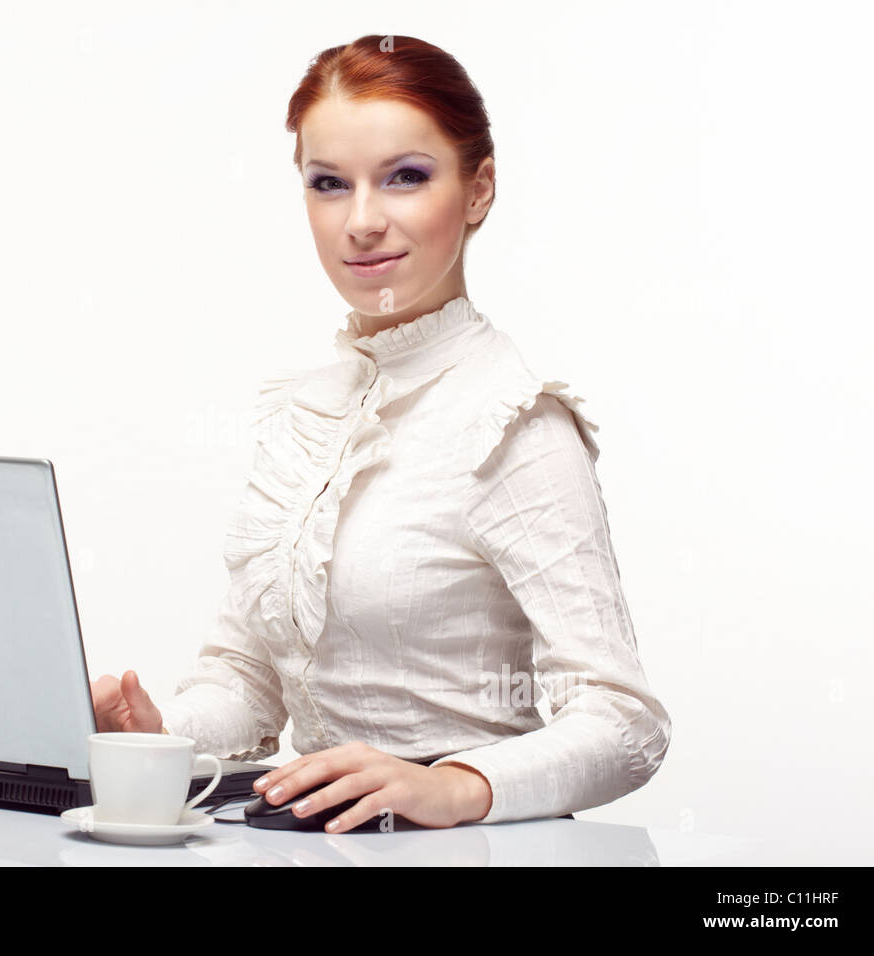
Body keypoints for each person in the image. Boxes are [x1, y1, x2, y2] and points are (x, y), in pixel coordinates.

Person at [92, 34, 671, 833]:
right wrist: (154, 740)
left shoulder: (513, 423)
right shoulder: (306, 414)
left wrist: (455, 784)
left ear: (478, 190)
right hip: (314, 848)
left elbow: (624, 721)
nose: (362, 221)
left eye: (405, 177)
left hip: (471, 855)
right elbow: (248, 680)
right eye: (329, 184)